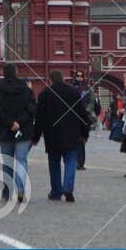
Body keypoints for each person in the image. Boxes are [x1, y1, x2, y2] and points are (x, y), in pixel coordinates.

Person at [35, 70, 90, 201]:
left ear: (50, 80)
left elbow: (40, 118)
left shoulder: (45, 94)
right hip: (72, 133)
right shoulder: (74, 92)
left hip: (52, 135)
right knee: (71, 161)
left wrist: (35, 136)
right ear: (63, 79)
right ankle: (68, 188)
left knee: (54, 164)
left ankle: (56, 191)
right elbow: (82, 114)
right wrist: (85, 133)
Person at [0, 63, 36, 203]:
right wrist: (19, 123)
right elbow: (31, 109)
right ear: (16, 72)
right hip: (23, 131)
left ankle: (7, 191)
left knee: (7, 162)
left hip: (4, 131)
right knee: (21, 161)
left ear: (4, 73)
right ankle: (21, 190)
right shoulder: (26, 89)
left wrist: (10, 123)